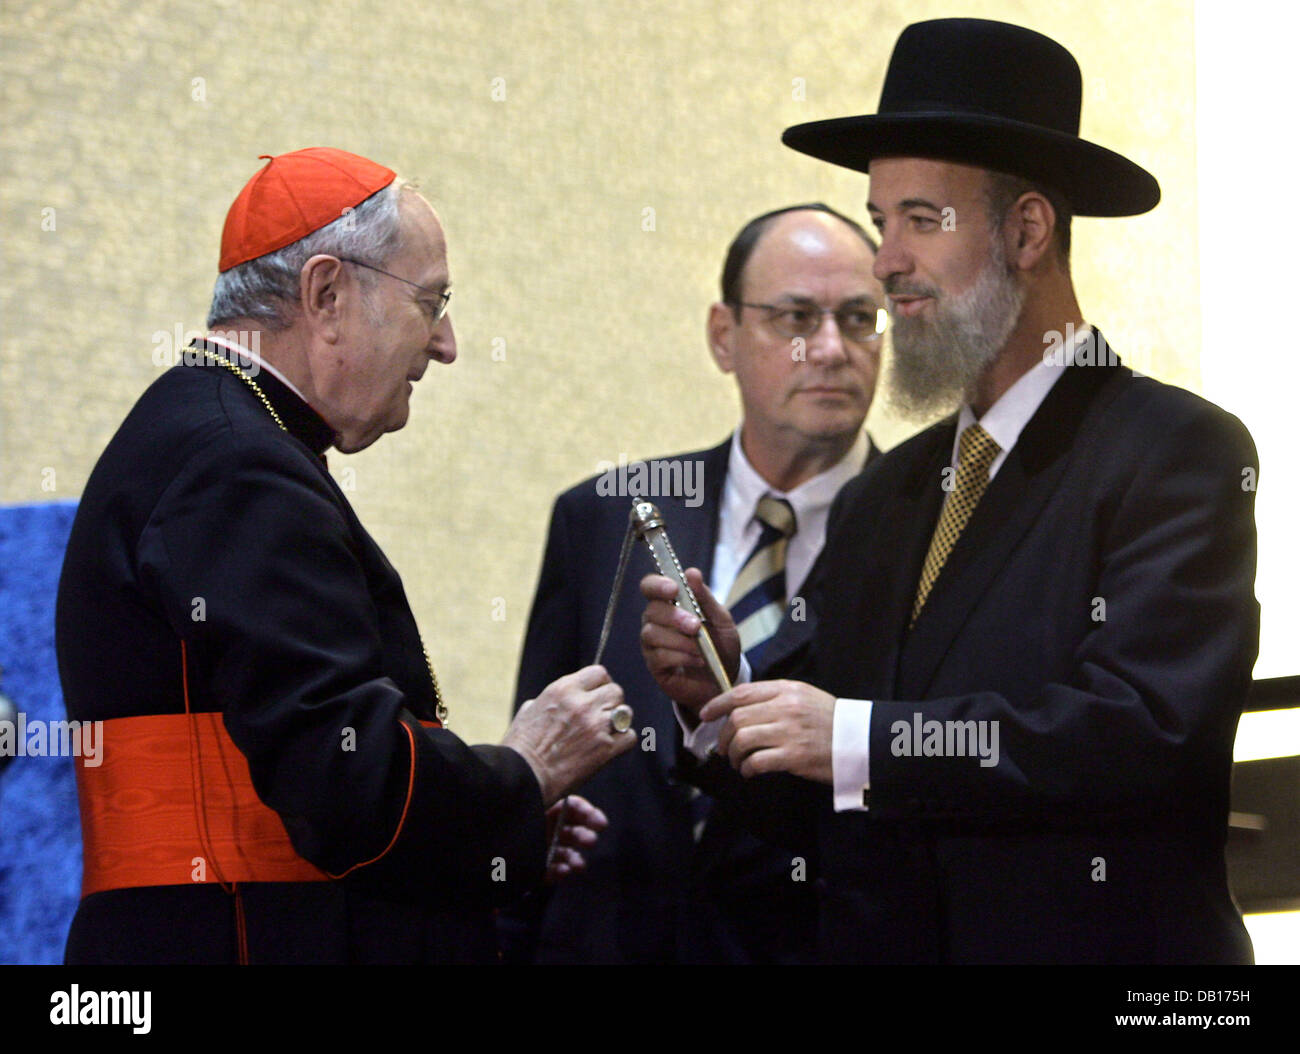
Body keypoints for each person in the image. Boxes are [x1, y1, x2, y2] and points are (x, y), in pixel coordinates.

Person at [640, 18, 1259, 964]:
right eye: (881, 219)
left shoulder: (1176, 452)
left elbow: (1137, 734)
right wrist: (725, 701)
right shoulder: (888, 488)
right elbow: (836, 794)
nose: (885, 259)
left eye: (922, 220)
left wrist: (853, 736)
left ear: (1026, 229)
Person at [55, 148, 634, 965]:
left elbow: (294, 775)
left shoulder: (215, 432)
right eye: (431, 303)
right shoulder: (237, 464)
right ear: (326, 294)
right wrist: (525, 769)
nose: (447, 344)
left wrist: (499, 830)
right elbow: (347, 788)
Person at [507, 204, 885, 962]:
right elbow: (539, 769)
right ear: (724, 335)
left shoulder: (925, 534)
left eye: (860, 318)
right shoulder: (605, 518)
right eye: (796, 317)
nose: (834, 348)